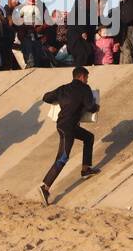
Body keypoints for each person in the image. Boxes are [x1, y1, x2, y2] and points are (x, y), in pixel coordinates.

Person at [38, 66, 100, 205]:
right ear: (82, 77)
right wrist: (97, 107)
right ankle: (45, 187)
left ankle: (85, 169)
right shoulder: (85, 88)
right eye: (87, 77)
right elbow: (90, 106)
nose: (87, 80)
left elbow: (46, 97)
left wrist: (60, 100)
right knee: (62, 157)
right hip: (68, 128)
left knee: (89, 137)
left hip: (62, 125)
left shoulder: (63, 88)